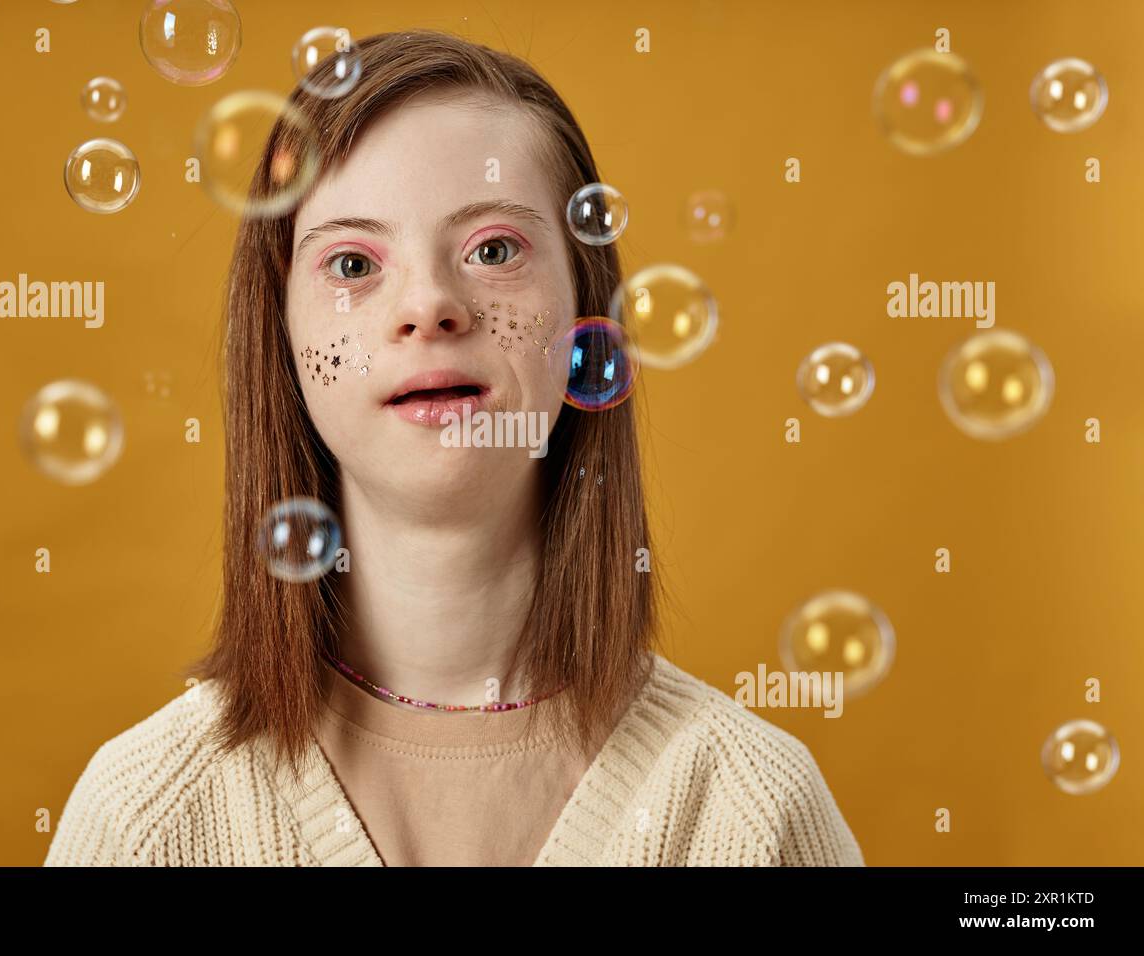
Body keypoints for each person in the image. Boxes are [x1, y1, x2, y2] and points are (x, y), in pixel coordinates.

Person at [44, 29, 864, 867]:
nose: (430, 304)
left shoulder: (753, 813)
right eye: (354, 263)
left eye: (495, 249)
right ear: (279, 333)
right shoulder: (149, 819)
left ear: (587, 319)